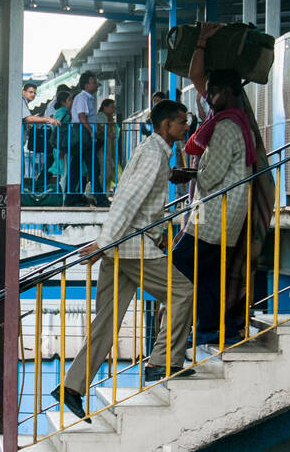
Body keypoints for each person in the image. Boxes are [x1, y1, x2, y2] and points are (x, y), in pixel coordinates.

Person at [51, 99, 196, 417]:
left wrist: (172, 176)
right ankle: (162, 362)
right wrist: (104, 240)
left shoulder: (153, 151)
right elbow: (128, 201)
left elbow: (135, 191)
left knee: (106, 321)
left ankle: (72, 386)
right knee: (183, 292)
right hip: (132, 247)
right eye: (181, 122)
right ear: (165, 126)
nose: (186, 127)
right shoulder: (154, 155)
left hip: (121, 247)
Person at [179, 23, 276, 345]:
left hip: (214, 217)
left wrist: (192, 175)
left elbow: (210, 176)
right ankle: (211, 328)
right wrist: (203, 43)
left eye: (215, 92)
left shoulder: (224, 126)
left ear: (228, 92)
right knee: (211, 276)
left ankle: (190, 329)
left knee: (180, 267)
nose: (210, 98)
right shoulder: (236, 120)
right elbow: (196, 77)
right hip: (223, 218)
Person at [65, 72, 110, 207]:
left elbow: (89, 118)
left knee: (80, 167)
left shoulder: (88, 98)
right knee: (90, 167)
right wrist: (91, 132)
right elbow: (82, 117)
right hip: (82, 136)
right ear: (86, 85)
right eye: (93, 82)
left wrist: (99, 130)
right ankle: (96, 198)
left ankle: (73, 197)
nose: (96, 85)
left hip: (84, 136)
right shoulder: (82, 98)